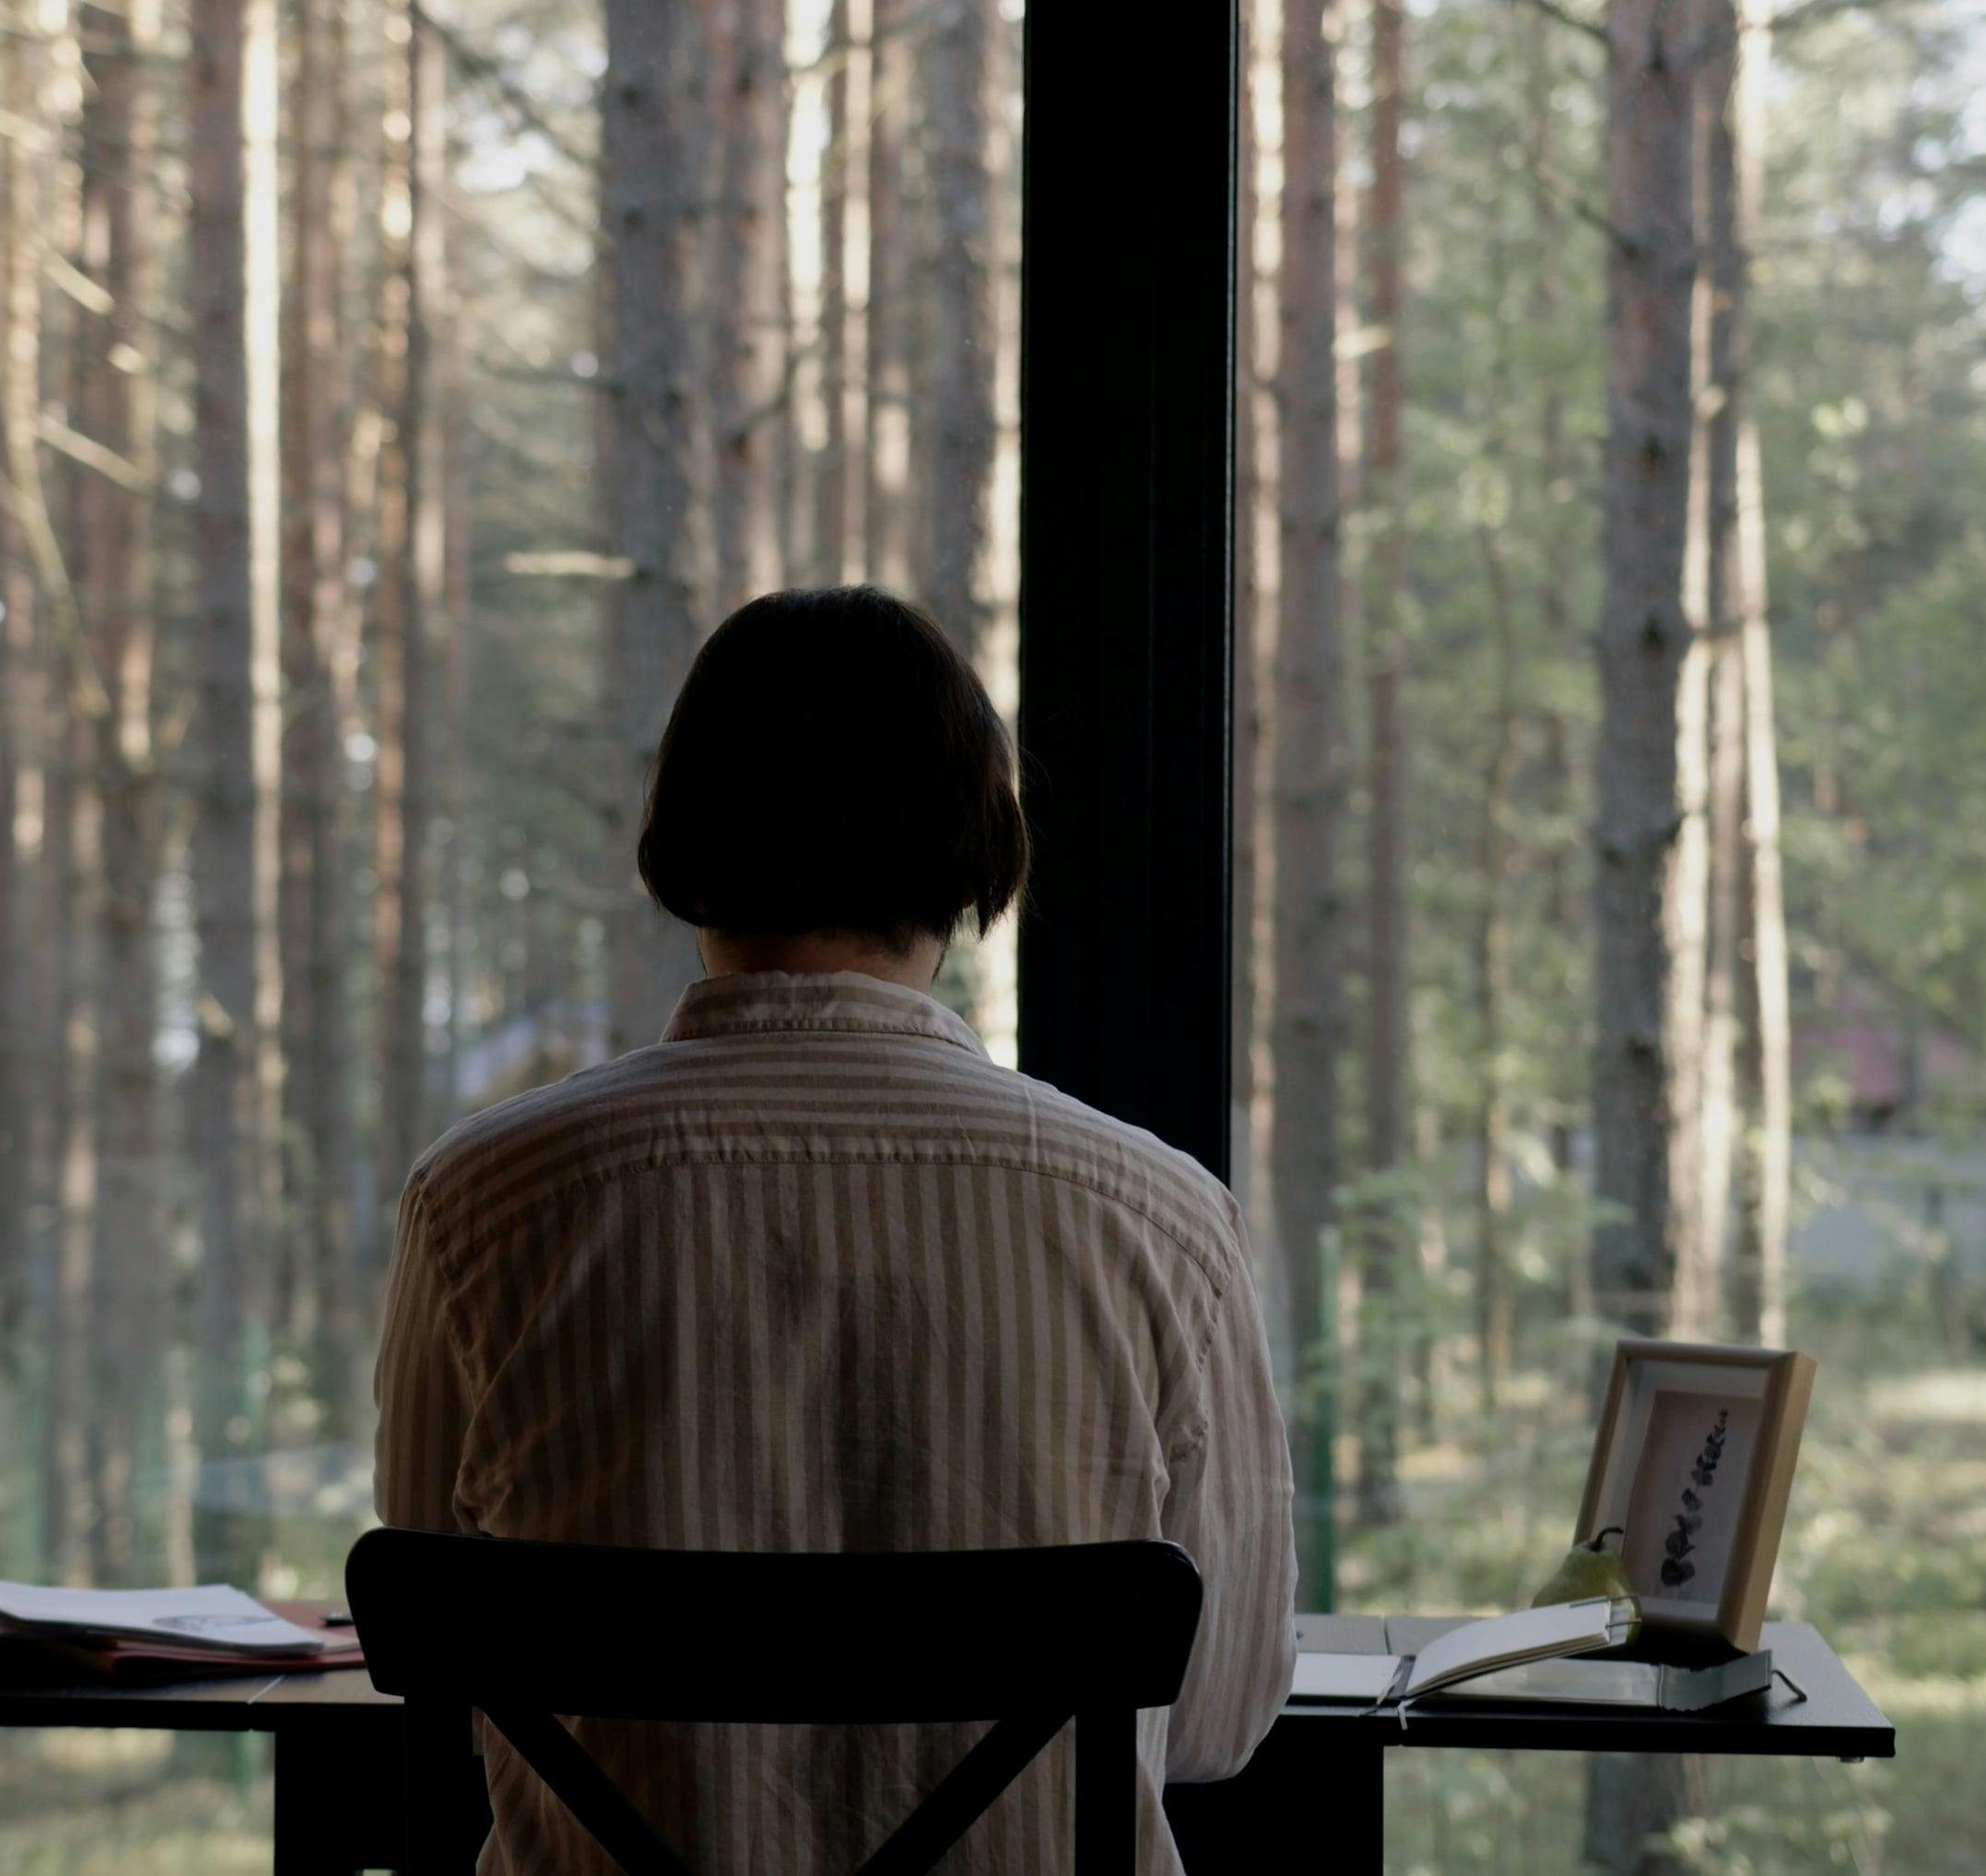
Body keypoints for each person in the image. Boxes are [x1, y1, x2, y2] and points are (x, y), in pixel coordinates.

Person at [375, 586, 1298, 1872]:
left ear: (682, 835)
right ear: (976, 852)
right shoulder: (1163, 1220)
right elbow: (1216, 1718)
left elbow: (437, 1652)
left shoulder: (484, 1203)